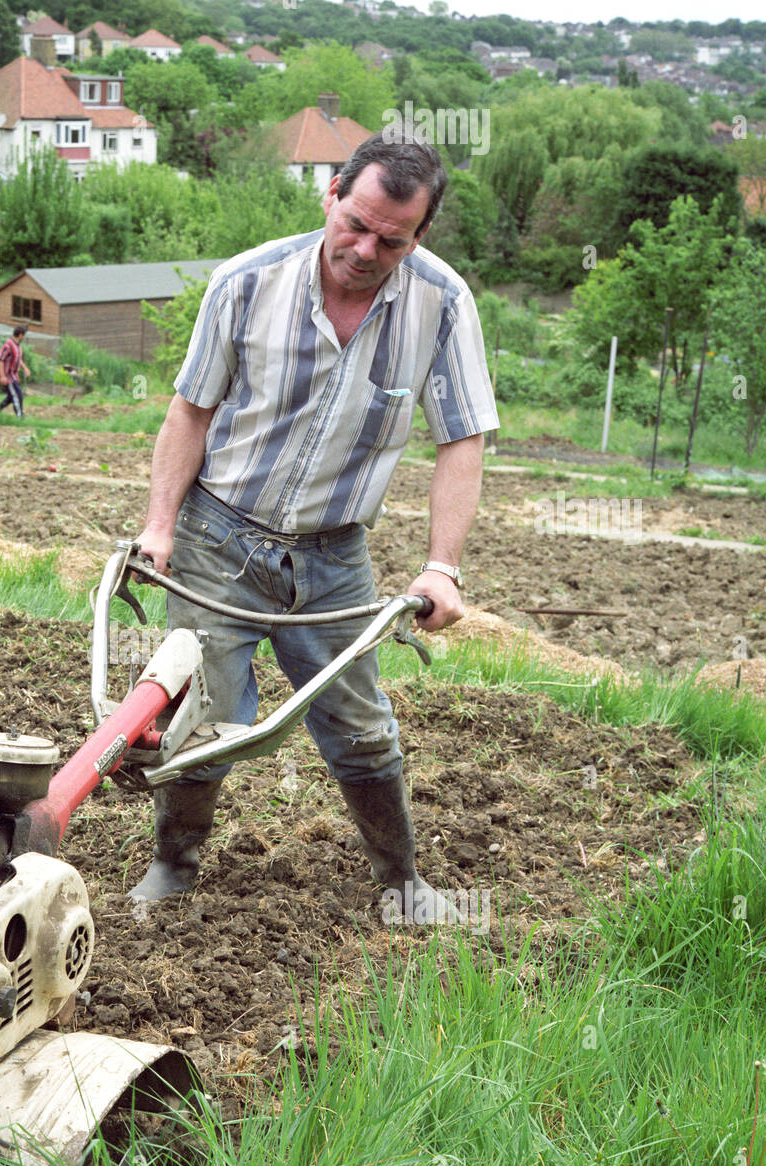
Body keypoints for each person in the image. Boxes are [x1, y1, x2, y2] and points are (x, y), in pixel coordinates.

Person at [129, 134, 498, 925]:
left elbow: (461, 437)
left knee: (361, 727)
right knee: (199, 714)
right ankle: (172, 865)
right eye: (355, 223)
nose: (364, 249)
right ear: (330, 194)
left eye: (390, 240)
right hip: (218, 537)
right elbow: (189, 409)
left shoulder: (441, 304)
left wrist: (443, 567)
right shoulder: (246, 281)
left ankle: (402, 884)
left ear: (418, 236)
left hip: (333, 556)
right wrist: (159, 528)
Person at [0, 325, 30, 417]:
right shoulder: (8, 345)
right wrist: (3, 376)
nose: (24, 337)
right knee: (18, 395)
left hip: (14, 375)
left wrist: (25, 368)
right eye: (24, 335)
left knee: (11, 397)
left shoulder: (18, 346)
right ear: (20, 335)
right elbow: (0, 360)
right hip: (8, 376)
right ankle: (20, 417)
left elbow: (18, 359)